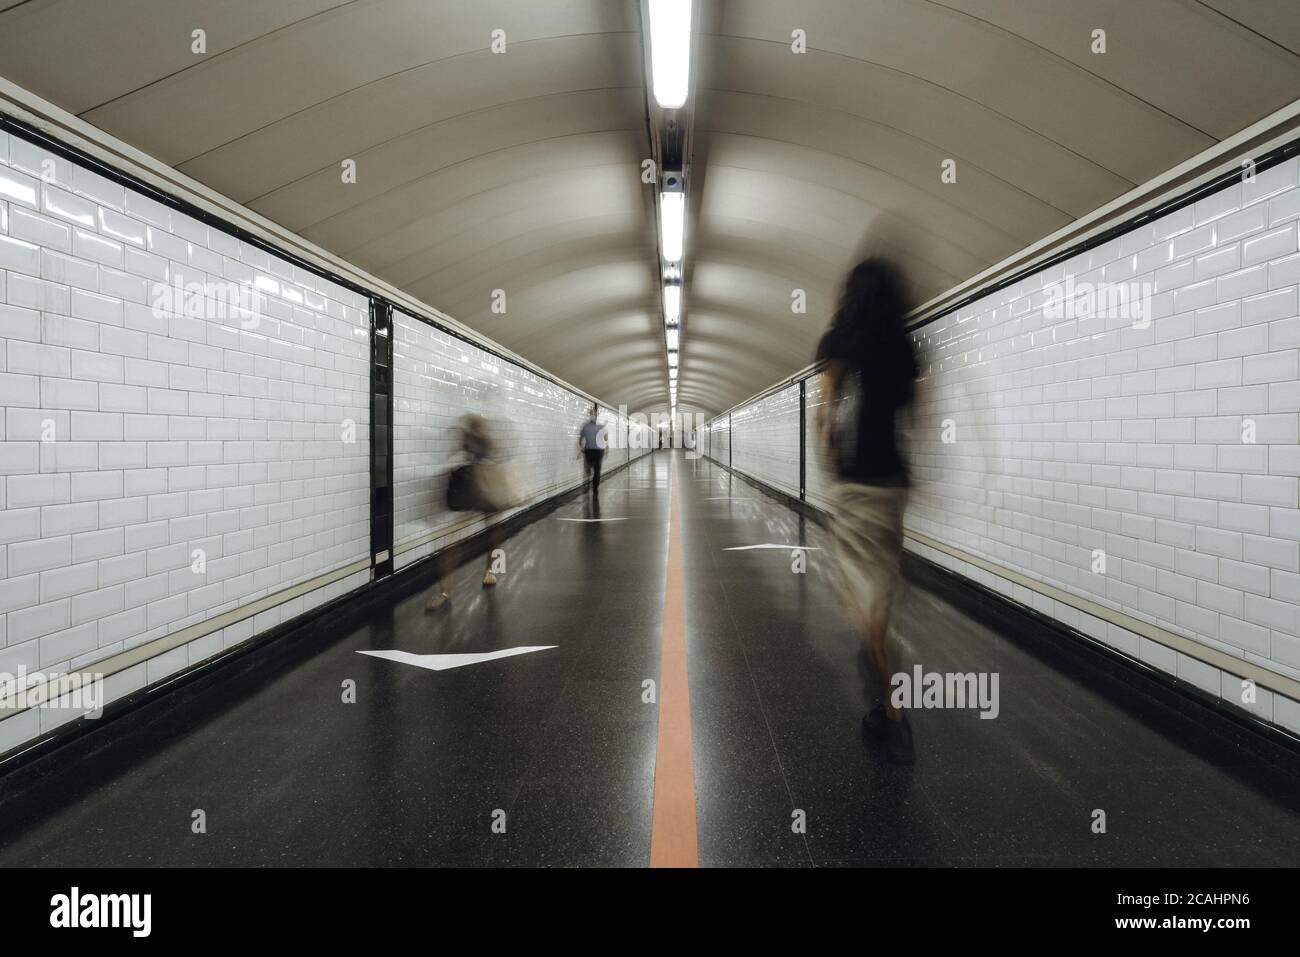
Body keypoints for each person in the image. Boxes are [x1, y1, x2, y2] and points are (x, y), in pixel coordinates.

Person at [815, 257, 920, 764]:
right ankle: (879, 641)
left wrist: (832, 465)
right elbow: (918, 417)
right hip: (894, 486)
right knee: (877, 584)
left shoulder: (840, 341)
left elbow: (827, 413)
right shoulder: (905, 346)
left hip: (857, 487)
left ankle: (893, 710)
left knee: (862, 603)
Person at [426, 414, 507, 612]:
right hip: (474, 489)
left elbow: (494, 456)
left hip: (485, 489)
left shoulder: (485, 441)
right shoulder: (470, 440)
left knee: (489, 532)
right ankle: (448, 589)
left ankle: (487, 571)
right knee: (472, 536)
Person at [578, 406, 608, 497]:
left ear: (597, 414)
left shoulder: (598, 426)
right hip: (590, 451)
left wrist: (606, 448)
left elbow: (605, 439)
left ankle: (595, 488)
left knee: (597, 470)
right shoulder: (586, 426)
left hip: (598, 451)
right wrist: (581, 447)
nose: (593, 415)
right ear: (590, 414)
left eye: (594, 413)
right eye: (592, 413)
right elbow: (580, 439)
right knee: (593, 470)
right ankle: (592, 482)